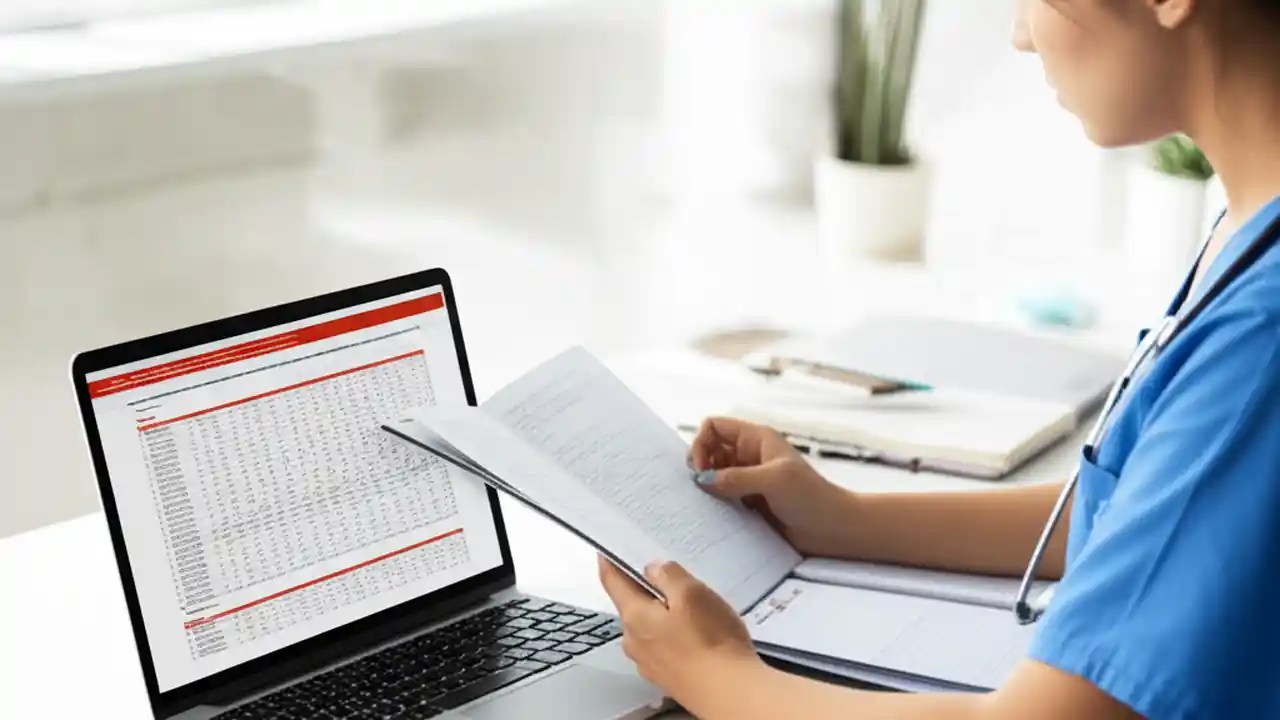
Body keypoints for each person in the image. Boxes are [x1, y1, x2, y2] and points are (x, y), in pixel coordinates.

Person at [597, 1, 1280, 717]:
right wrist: (844, 520)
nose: (1021, 35)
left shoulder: (1259, 331)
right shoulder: (1245, 229)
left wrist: (718, 677)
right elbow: (1138, 510)